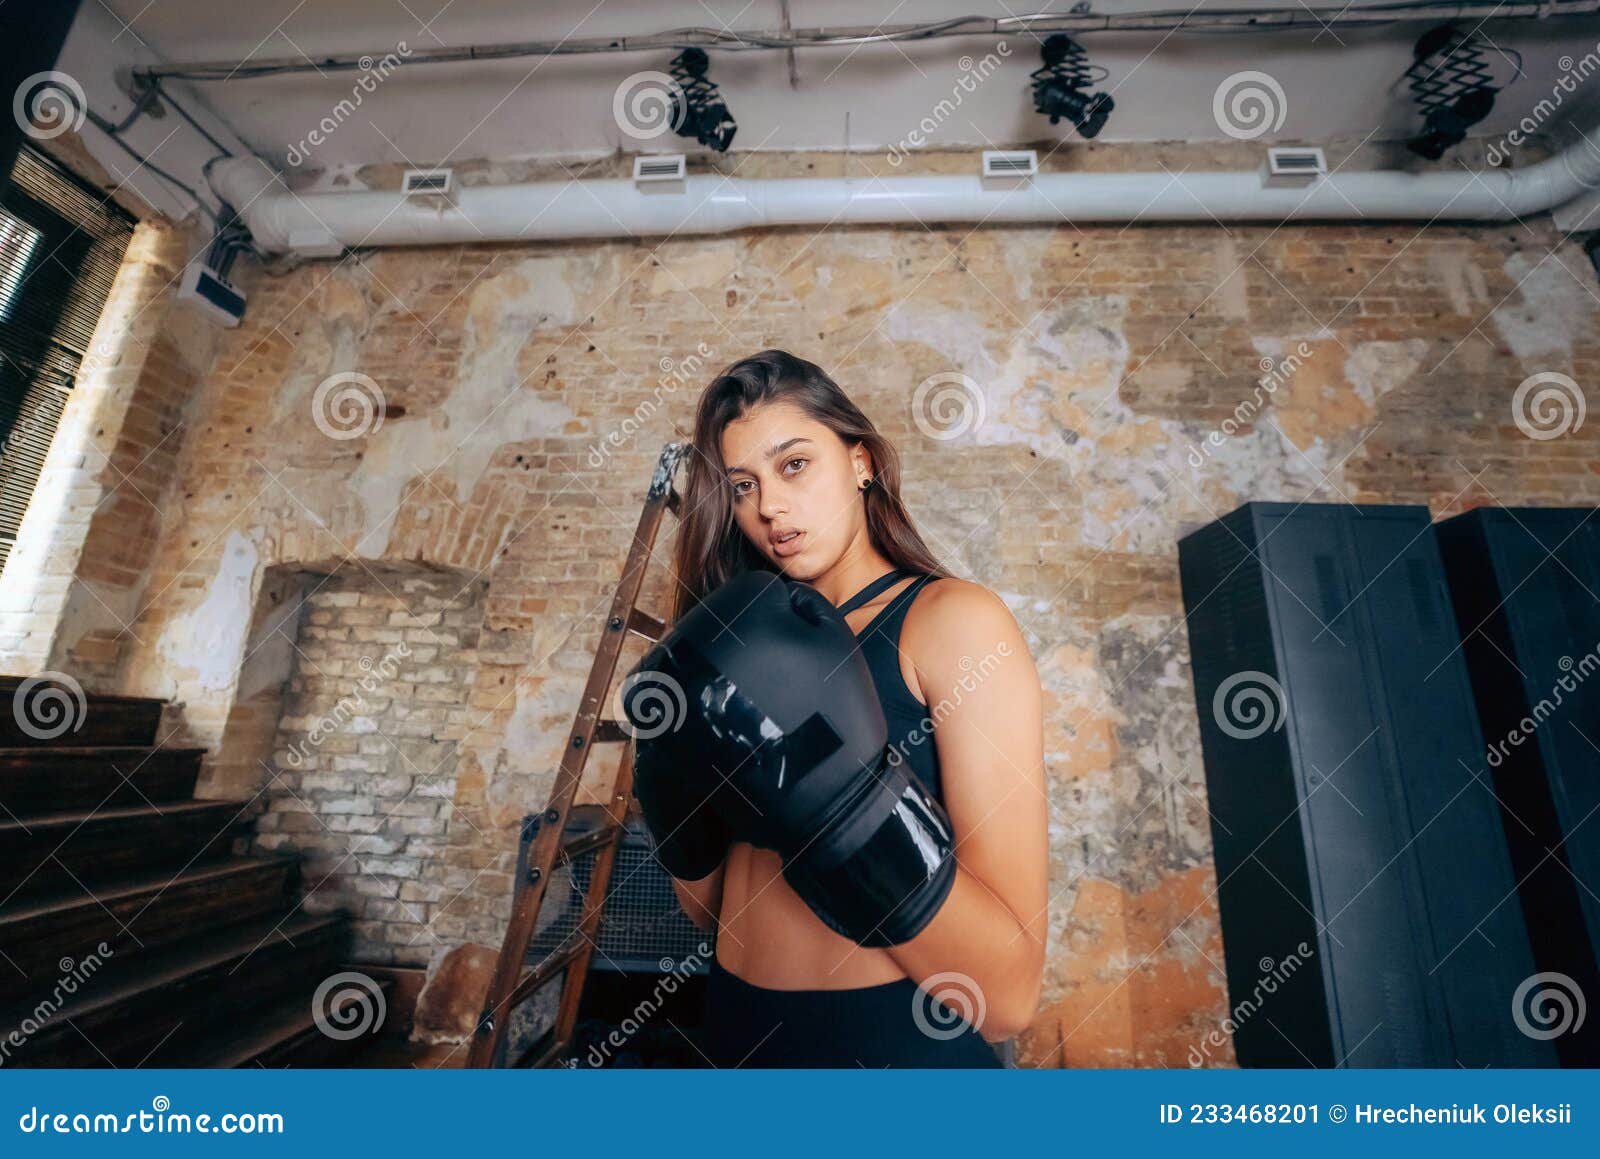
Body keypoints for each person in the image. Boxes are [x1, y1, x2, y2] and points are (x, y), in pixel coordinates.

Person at [638, 349, 1048, 1068]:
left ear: (862, 462)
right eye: (743, 486)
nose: (769, 507)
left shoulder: (953, 622)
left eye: (794, 464)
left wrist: (850, 808)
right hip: (734, 1034)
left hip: (886, 1049)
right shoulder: (740, 644)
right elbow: (708, 914)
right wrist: (675, 806)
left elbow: (1010, 996)